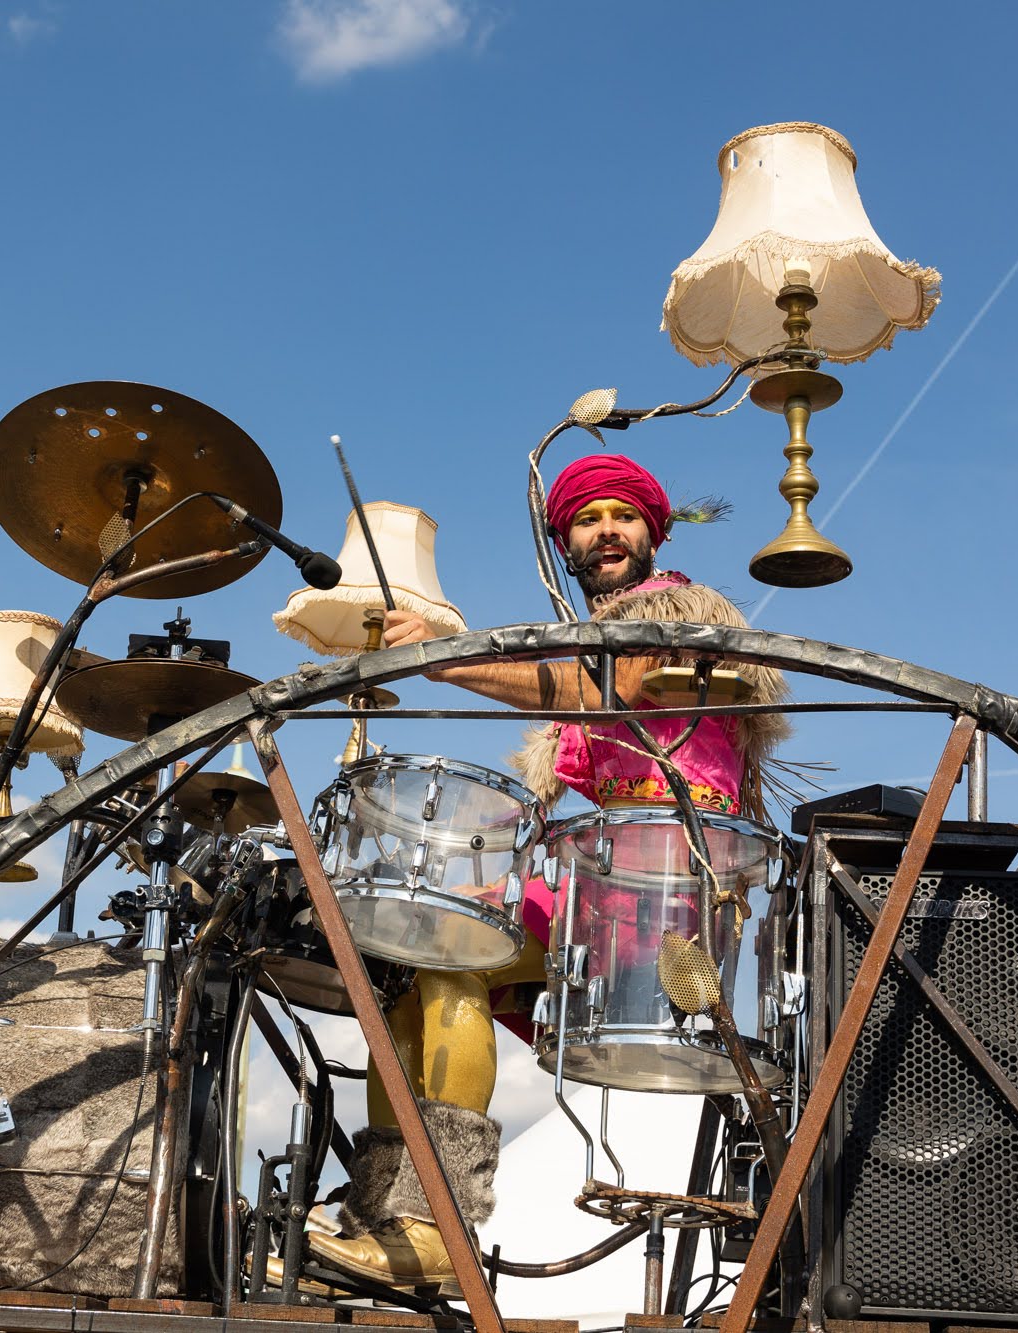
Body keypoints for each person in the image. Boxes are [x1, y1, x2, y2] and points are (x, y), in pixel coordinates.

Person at [302, 453, 787, 1291]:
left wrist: (448, 657)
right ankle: (388, 1216)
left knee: (452, 953)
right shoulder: (589, 644)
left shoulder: (679, 613)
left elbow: (606, 687)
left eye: (623, 516)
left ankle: (433, 1226)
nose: (606, 531)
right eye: (587, 520)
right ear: (565, 544)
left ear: (655, 534)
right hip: (600, 882)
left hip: (666, 888)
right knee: (415, 970)